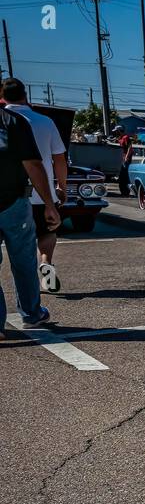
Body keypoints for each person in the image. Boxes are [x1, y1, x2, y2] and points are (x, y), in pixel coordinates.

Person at [2, 79, 68, 292]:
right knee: (47, 232)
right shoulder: (45, 122)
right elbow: (59, 159)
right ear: (25, 95)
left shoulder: (4, 122)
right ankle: (45, 262)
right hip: (43, 193)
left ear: (2, 97)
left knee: (18, 246)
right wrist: (61, 188)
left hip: (9, 194)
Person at [0, 103, 58, 334]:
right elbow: (35, 163)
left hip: (15, 202)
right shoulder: (13, 121)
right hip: (13, 201)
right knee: (25, 259)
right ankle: (32, 312)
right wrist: (50, 203)